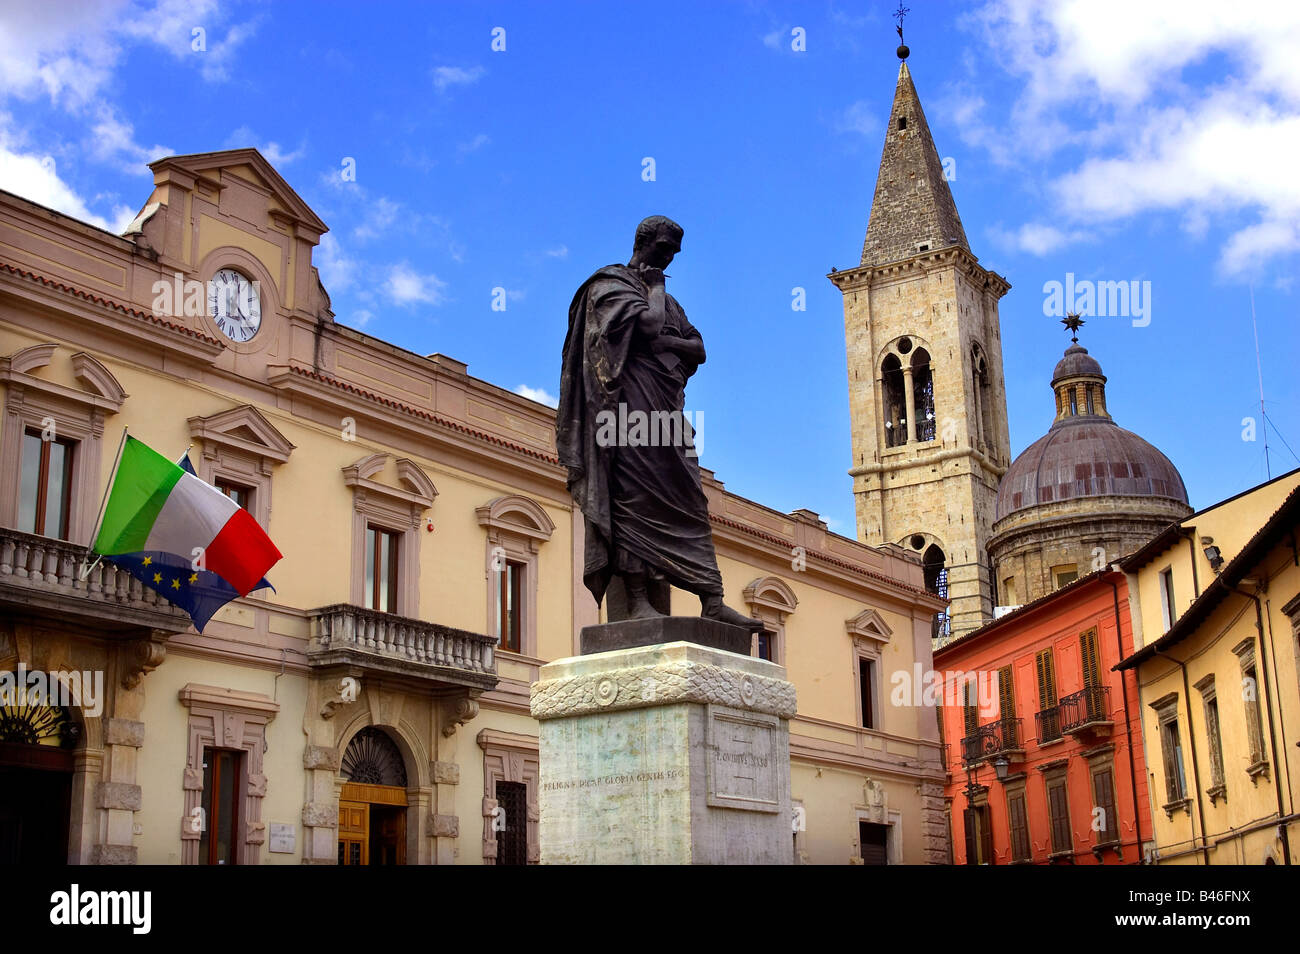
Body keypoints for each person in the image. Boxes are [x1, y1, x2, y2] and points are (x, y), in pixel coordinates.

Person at [557, 215, 764, 632]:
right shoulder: (609, 286)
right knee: (633, 501)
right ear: (644, 242)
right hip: (627, 419)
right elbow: (647, 325)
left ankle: (712, 598)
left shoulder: (667, 301)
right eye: (666, 249)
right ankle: (635, 603)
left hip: (667, 418)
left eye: (674, 253)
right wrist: (655, 292)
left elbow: (698, 348)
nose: (670, 259)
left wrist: (666, 340)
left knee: (692, 501)